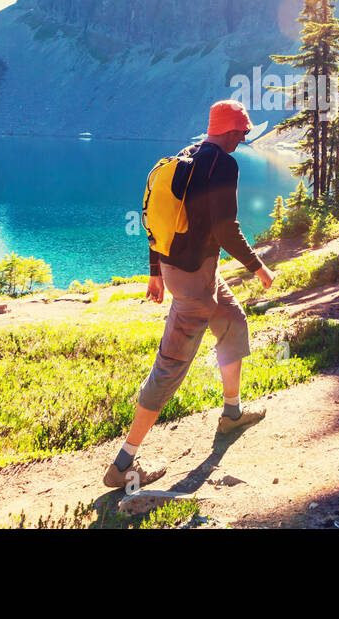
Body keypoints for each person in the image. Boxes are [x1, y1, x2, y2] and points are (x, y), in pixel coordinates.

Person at [103, 99, 276, 489]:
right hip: (195, 281)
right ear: (230, 130)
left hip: (183, 270)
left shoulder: (185, 156)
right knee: (171, 365)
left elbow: (156, 217)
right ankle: (123, 463)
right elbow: (225, 229)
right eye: (243, 132)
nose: (244, 138)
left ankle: (231, 413)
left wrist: (155, 272)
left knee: (232, 322)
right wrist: (258, 267)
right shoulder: (223, 165)